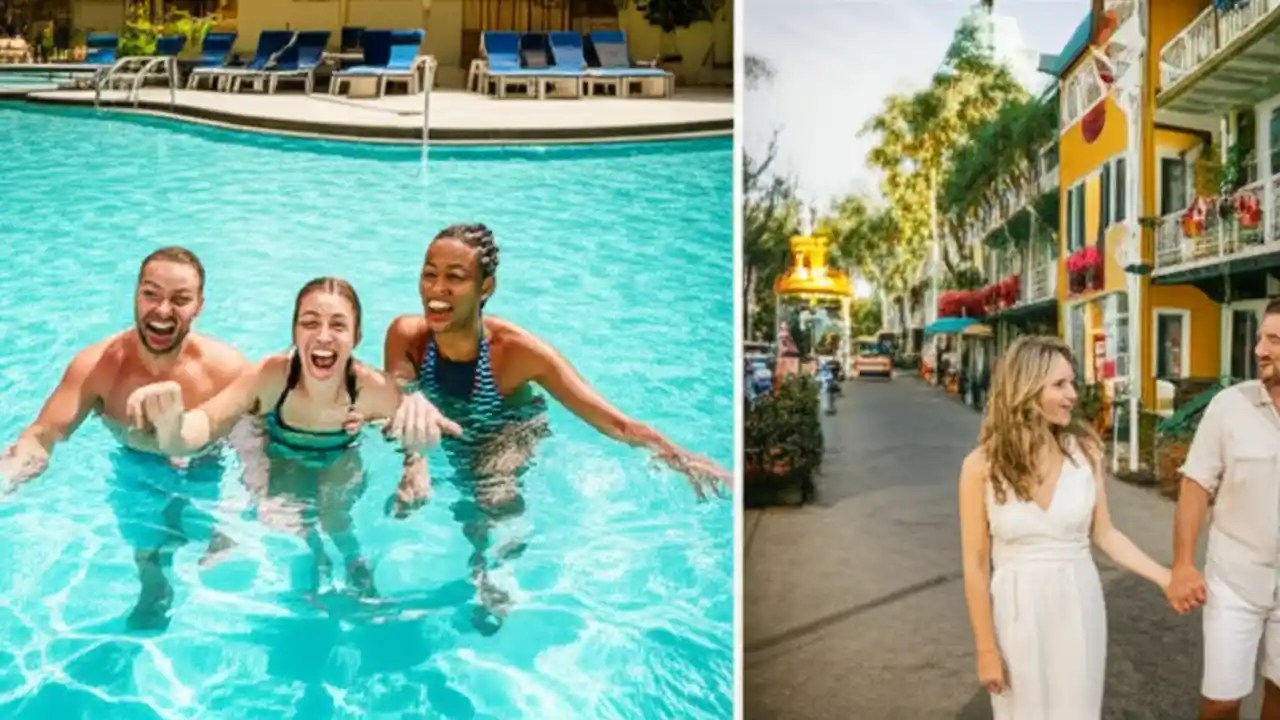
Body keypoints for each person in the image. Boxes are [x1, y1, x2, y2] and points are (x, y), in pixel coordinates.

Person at [382, 222, 730, 632]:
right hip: (449, 425)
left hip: (508, 428)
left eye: (455, 278)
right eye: (429, 273)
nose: (436, 289)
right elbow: (401, 404)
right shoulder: (406, 335)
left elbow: (614, 421)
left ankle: (498, 567)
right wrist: (414, 462)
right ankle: (479, 552)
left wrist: (684, 460)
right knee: (454, 503)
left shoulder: (518, 352)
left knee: (493, 492)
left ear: (486, 287)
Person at [126, 276, 460, 601]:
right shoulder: (272, 377)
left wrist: (417, 465)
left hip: (340, 452)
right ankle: (317, 559)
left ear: (356, 337)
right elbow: (206, 422)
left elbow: (409, 429)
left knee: (335, 514)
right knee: (291, 519)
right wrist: (171, 426)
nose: (323, 336)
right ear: (295, 332)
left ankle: (356, 567)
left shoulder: (372, 389)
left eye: (338, 325)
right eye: (310, 322)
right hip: (283, 449)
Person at [0, 247, 252, 629]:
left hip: (208, 456)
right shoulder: (98, 367)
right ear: (135, 294)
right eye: (151, 293)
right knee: (146, 546)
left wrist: (244, 499)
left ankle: (218, 542)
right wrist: (14, 471)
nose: (163, 310)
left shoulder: (226, 369)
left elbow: (259, 435)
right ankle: (155, 587)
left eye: (180, 299)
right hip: (137, 460)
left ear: (199, 306)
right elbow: (45, 432)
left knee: (220, 535)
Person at [958, 335, 1170, 719]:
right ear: (1026, 387)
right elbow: (975, 565)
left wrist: (1166, 578)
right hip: (1016, 613)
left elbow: (1106, 533)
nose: (1072, 395)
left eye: (1072, 383)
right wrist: (986, 649)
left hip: (1077, 605)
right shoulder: (979, 467)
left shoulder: (1085, 454)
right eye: (1060, 384)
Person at [1165, 297, 1280, 720]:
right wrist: (1182, 565)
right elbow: (1195, 486)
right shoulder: (1228, 407)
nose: (1260, 350)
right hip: (1234, 578)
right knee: (1221, 702)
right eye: (1260, 338)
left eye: (1274, 340)